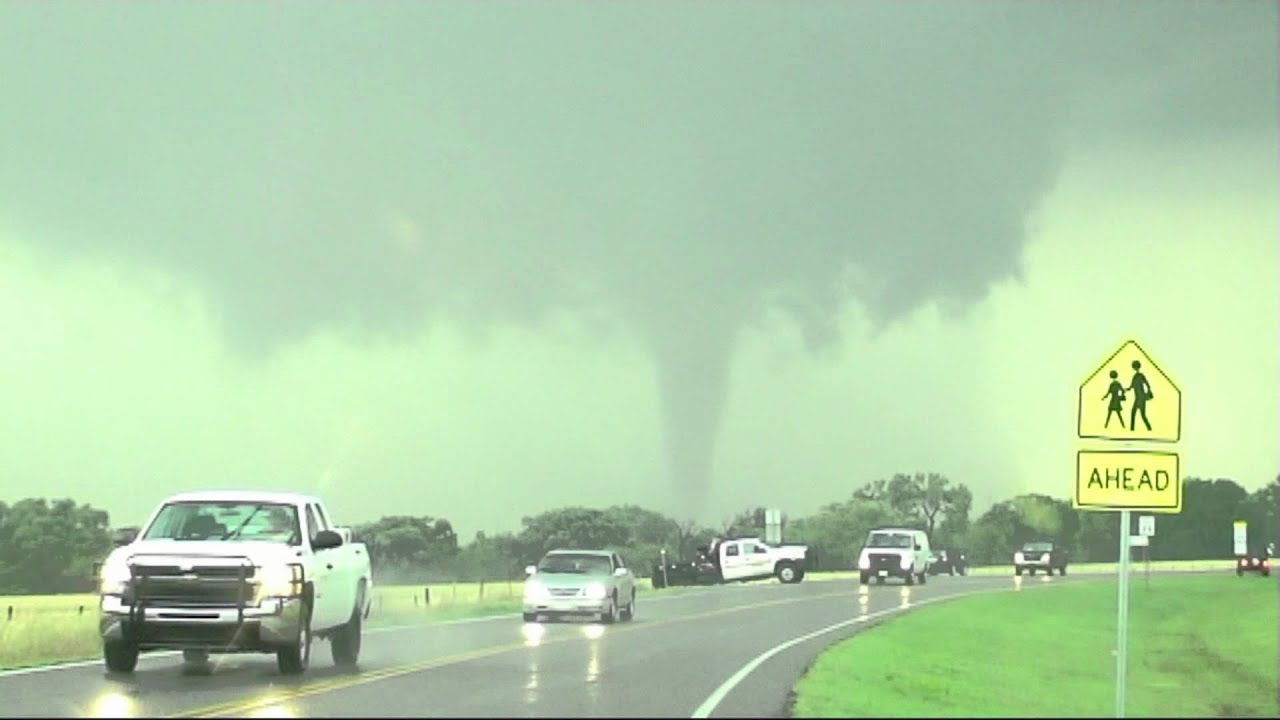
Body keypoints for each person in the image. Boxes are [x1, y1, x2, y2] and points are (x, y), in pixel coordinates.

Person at [1127, 360, 1153, 431]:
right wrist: (1126, 389)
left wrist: (1148, 391)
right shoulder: (1135, 376)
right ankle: (1132, 429)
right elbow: (1131, 386)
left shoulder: (1141, 375)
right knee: (1134, 413)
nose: (1135, 368)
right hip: (1137, 398)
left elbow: (1147, 384)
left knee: (1142, 415)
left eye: (1135, 367)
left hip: (1141, 398)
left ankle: (1149, 428)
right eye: (1134, 367)